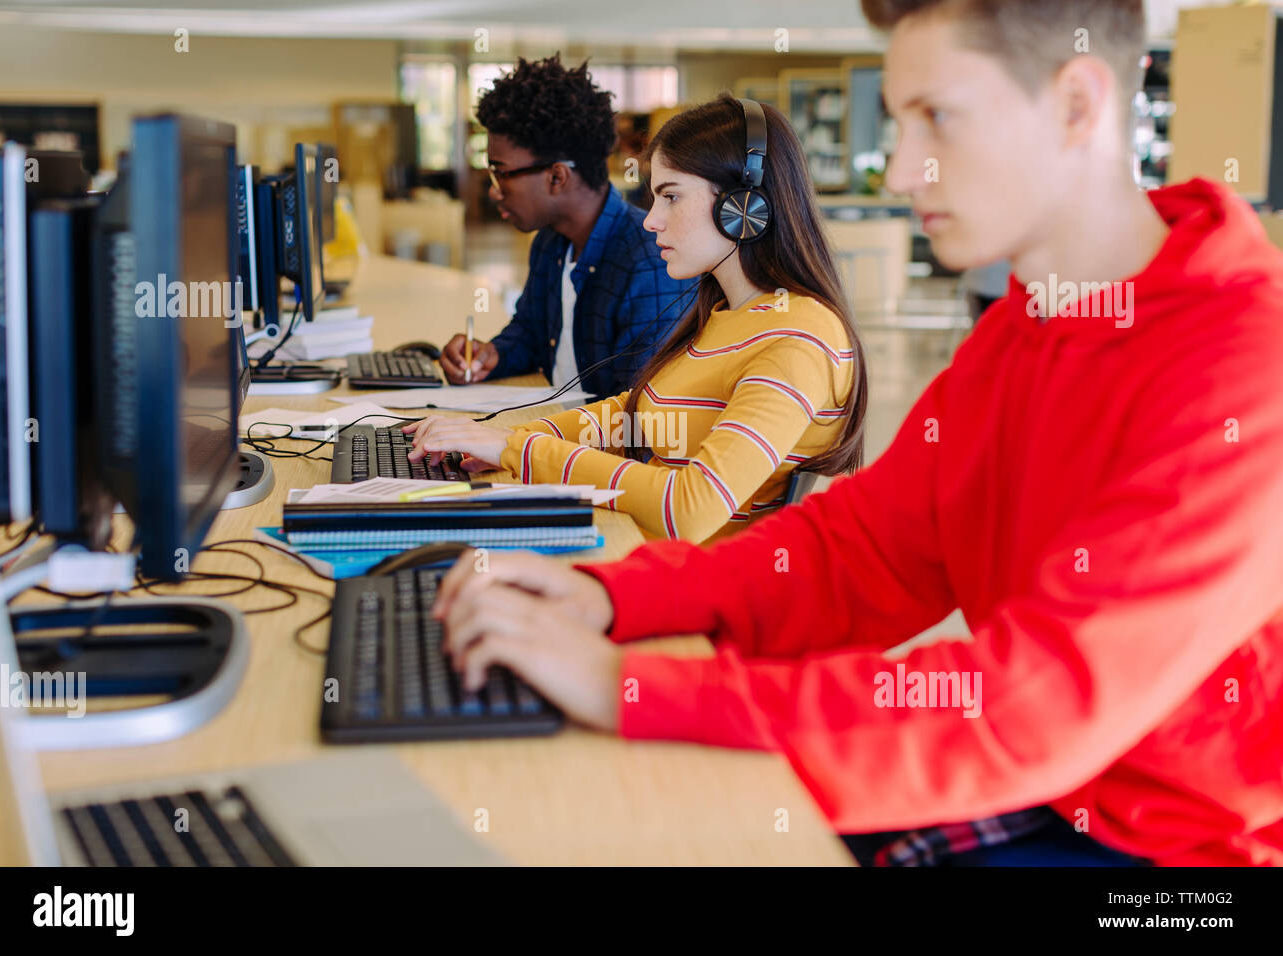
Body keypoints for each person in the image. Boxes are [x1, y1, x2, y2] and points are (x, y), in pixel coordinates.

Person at [430, 0, 1283, 866]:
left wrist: (628, 686)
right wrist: (615, 599)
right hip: (1045, 794)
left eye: (936, 119)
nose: (903, 171)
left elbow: (1027, 707)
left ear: (1077, 104)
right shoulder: (1025, 332)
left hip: (1173, 863)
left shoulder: (1245, 373)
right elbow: (860, 551)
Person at [406, 96, 868, 544]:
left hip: (679, 590)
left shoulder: (797, 340)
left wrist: (514, 450)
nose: (651, 221)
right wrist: (497, 436)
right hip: (634, 549)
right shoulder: (729, 314)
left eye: (671, 197)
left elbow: (690, 508)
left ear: (742, 208)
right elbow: (634, 417)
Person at [441, 54, 693, 395]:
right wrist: (492, 355)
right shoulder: (551, 241)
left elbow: (638, 422)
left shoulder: (650, 263)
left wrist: (524, 444)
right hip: (556, 432)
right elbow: (531, 332)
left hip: (589, 445)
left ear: (557, 176)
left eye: (501, 172)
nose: (494, 190)